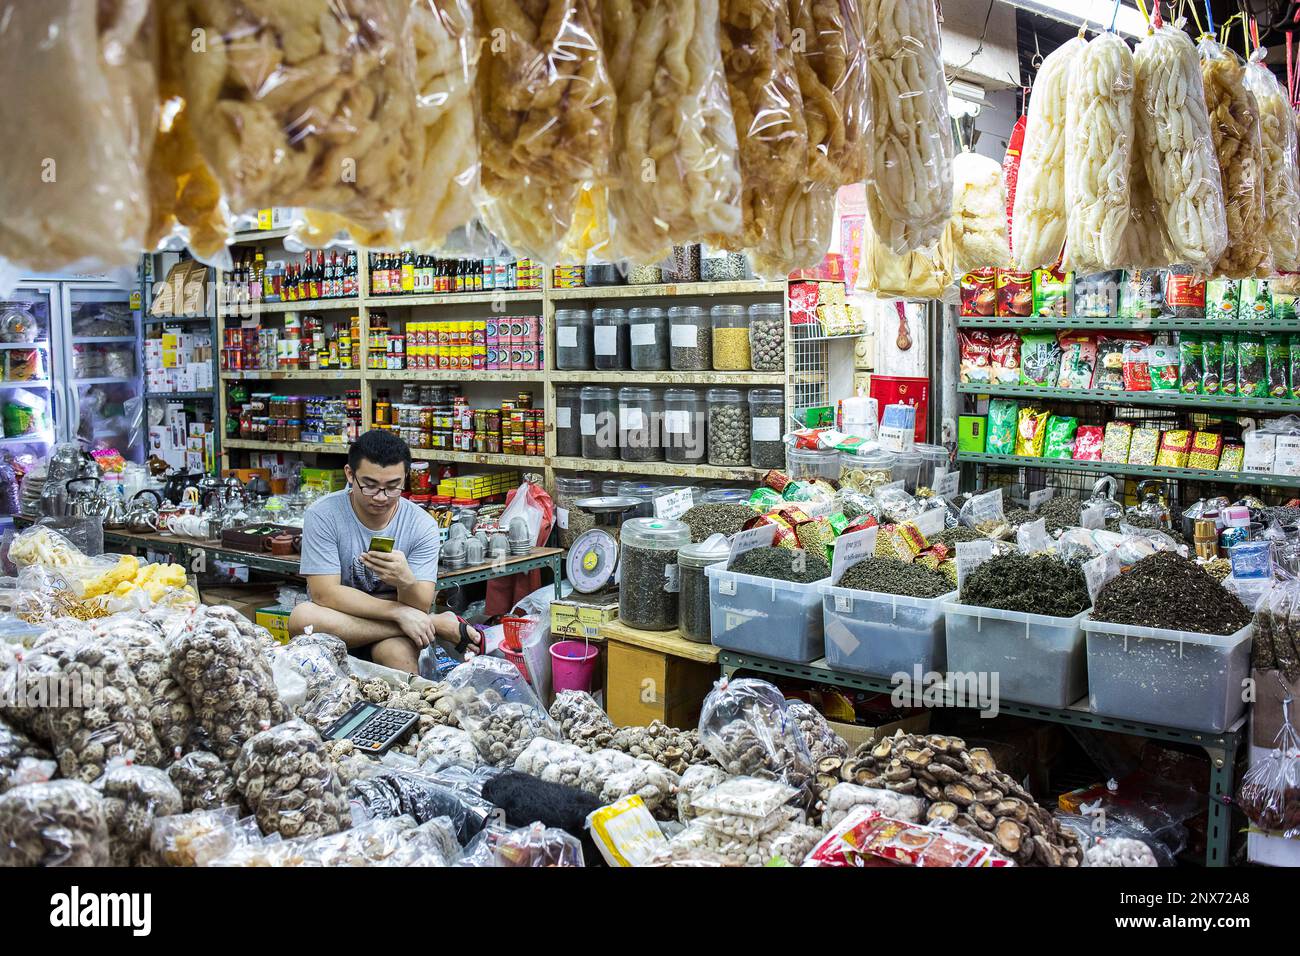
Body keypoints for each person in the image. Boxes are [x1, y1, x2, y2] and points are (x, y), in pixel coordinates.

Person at [290, 429, 481, 673]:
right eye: (369, 486)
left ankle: (408, 709)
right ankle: (435, 624)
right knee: (303, 617)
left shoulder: (422, 524)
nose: (381, 497)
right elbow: (325, 594)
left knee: (396, 653)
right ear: (350, 474)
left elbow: (420, 605)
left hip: (397, 626)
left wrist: (406, 581)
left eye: (393, 486)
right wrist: (400, 614)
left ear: (406, 477)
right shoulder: (323, 514)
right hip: (339, 618)